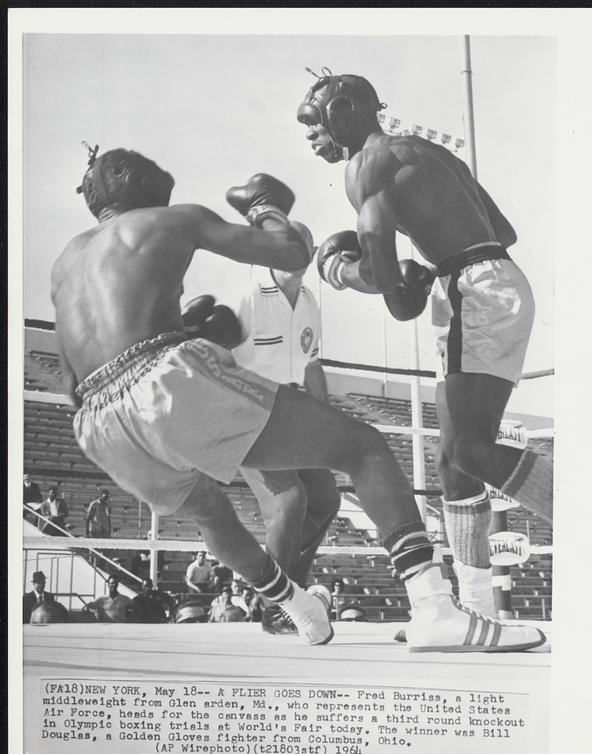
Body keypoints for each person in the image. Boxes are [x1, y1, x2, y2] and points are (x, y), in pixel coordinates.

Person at [55, 145, 543, 652]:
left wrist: (181, 333)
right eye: (157, 176)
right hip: (171, 381)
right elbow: (289, 251)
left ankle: (295, 605)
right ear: (138, 185)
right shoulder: (171, 220)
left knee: (210, 511)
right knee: (364, 449)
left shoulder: (68, 260)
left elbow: (71, 380)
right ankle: (434, 608)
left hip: (96, 422)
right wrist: (264, 206)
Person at [298, 71, 554, 622]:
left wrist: (340, 270)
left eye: (313, 122)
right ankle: (479, 607)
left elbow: (386, 281)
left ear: (342, 111)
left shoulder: (364, 165)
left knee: (467, 451)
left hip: (472, 290)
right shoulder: (427, 152)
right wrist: (428, 261)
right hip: (486, 279)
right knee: (452, 458)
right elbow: (503, 230)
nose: (310, 135)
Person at [181, 220, 341, 637]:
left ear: (311, 253)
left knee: (325, 499)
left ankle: (290, 591)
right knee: (289, 501)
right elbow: (206, 352)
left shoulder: (310, 301)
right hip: (248, 410)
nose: (294, 254)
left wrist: (328, 423)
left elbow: (312, 365)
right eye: (286, 245)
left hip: (294, 410)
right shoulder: (247, 295)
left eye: (302, 247)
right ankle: (278, 608)